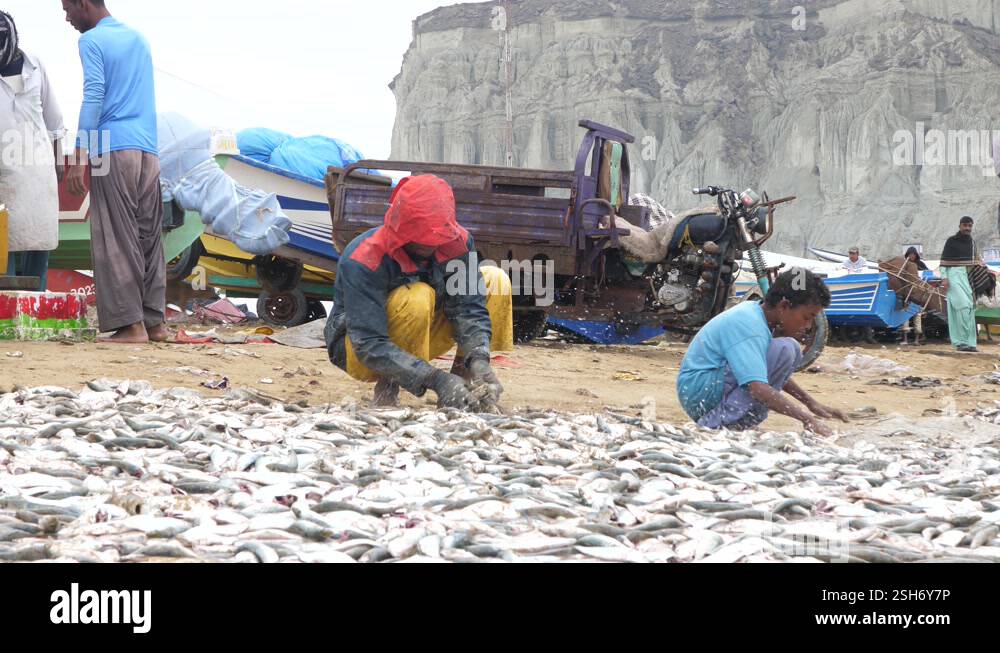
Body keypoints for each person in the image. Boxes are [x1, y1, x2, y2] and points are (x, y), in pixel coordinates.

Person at [324, 175, 515, 410]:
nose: (430, 246)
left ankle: (464, 383)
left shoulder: (458, 242)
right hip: (360, 351)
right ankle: (388, 386)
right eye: (422, 240)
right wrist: (436, 379)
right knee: (416, 295)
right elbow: (368, 343)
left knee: (495, 280)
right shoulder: (365, 258)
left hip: (422, 338)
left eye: (436, 239)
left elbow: (469, 308)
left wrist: (479, 360)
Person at [62, 0, 167, 344]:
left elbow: (94, 95)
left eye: (67, 8)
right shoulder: (139, 38)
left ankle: (130, 327)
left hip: (113, 146)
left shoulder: (91, 41)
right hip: (148, 150)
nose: (67, 17)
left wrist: (80, 153)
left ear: (82, 4)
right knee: (148, 237)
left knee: (115, 237)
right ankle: (155, 324)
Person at [677, 268, 849, 436]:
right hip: (700, 392)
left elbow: (763, 371)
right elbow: (757, 387)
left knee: (787, 350)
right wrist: (807, 419)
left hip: (707, 387)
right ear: (784, 306)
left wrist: (811, 403)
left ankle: (734, 423)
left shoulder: (758, 313)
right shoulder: (751, 325)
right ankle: (715, 423)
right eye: (807, 317)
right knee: (787, 349)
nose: (809, 326)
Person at [0, 11, 65, 290]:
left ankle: (35, 302)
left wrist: (59, 159)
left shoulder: (35, 66)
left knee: (39, 241)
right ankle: (8, 310)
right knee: (5, 243)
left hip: (39, 172)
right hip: (4, 174)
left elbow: (54, 121)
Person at [939, 217, 980, 353]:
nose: (967, 228)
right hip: (954, 276)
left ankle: (970, 343)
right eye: (965, 225)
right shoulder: (951, 241)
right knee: (961, 307)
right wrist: (944, 278)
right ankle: (960, 342)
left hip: (968, 278)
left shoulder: (972, 243)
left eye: (969, 225)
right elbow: (944, 262)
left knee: (970, 309)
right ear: (960, 225)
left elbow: (976, 261)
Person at [900, 247, 929, 346]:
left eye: (913, 254)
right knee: (905, 317)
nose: (911, 256)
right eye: (910, 254)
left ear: (916, 255)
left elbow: (927, 275)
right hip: (907, 294)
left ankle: (917, 340)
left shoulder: (920, 264)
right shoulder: (904, 264)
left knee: (917, 316)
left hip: (918, 294)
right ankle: (905, 340)